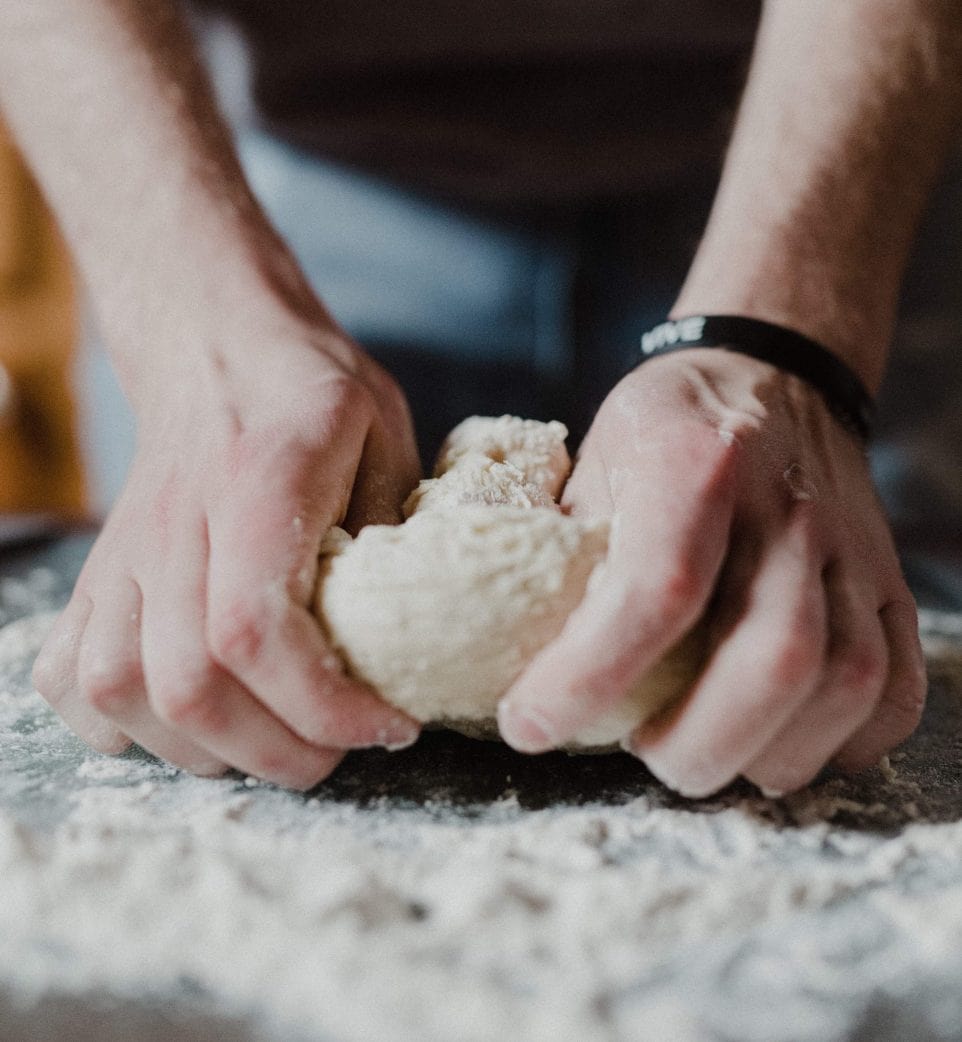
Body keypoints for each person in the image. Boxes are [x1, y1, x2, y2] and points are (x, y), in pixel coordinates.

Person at [1, 0, 959, 796]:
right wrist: (195, 325)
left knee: (811, 658)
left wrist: (787, 334)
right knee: (221, 632)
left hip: (845, 129)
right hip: (266, 166)